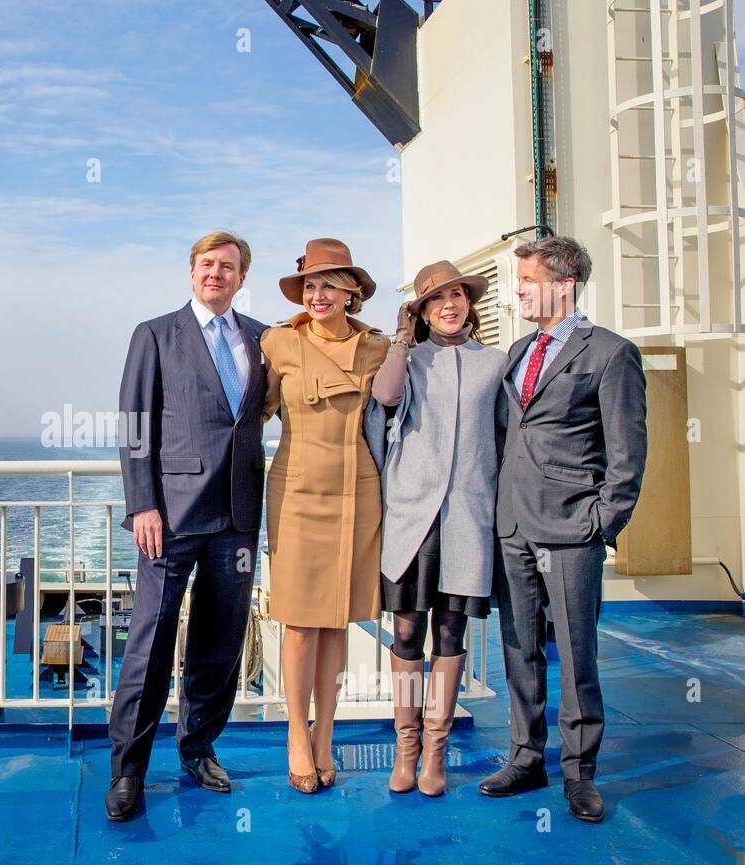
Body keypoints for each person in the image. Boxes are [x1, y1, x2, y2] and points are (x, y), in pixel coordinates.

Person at [479, 235, 647, 824]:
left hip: (573, 528)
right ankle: (526, 757)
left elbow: (627, 454)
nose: (518, 291)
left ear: (564, 284)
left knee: (577, 654)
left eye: (526, 281)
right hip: (514, 525)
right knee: (519, 648)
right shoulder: (519, 350)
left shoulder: (610, 353)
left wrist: (602, 522)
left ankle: (580, 773)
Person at [106, 231, 269, 823]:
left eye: (228, 267)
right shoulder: (155, 334)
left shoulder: (260, 337)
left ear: (241, 276)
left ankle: (198, 749)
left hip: (238, 515)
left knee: (220, 640)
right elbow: (133, 425)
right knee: (149, 641)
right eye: (207, 265)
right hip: (169, 516)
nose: (216, 275)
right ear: (191, 272)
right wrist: (141, 504)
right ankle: (129, 768)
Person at [370, 260, 508, 797]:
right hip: (412, 518)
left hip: (468, 518)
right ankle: (405, 749)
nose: (449, 305)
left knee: (450, 634)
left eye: (457, 296)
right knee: (406, 631)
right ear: (422, 311)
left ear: (470, 304)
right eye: (436, 299)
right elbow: (383, 399)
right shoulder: (407, 359)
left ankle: (435, 753)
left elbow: (504, 435)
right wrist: (402, 342)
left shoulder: (495, 363)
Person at [261, 238, 389, 793]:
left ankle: (325, 735)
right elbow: (249, 412)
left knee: (337, 617)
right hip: (296, 492)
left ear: (352, 292)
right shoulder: (278, 343)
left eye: (329, 285)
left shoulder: (377, 348)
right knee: (299, 620)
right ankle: (295, 733)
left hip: (357, 494)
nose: (318, 295)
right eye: (310, 285)